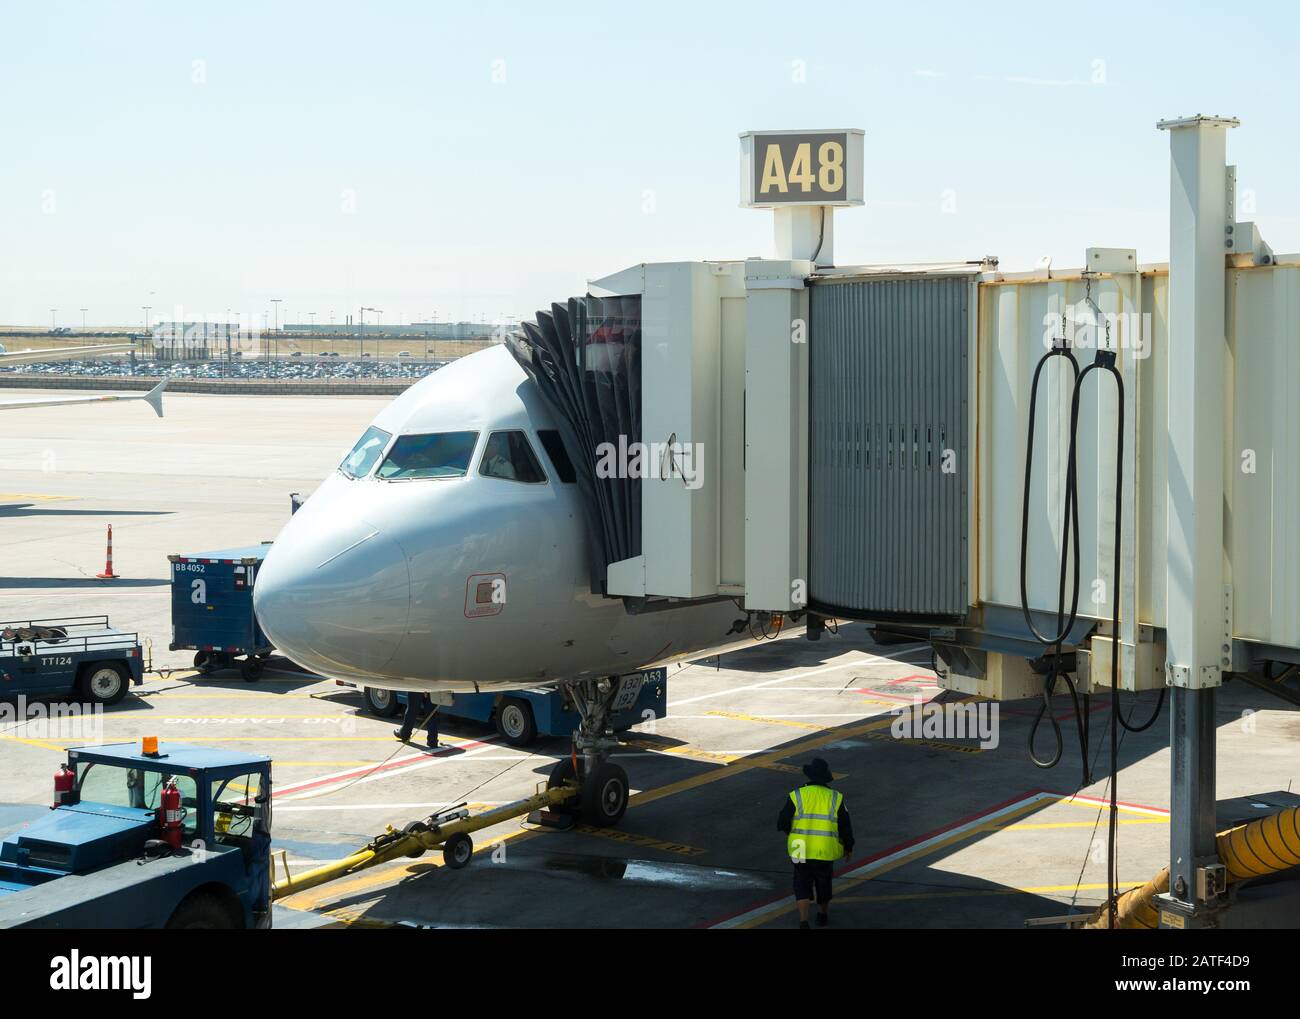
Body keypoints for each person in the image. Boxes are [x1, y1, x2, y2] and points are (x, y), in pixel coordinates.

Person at [777, 758, 853, 928]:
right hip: (824, 849)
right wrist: (849, 846)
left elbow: (782, 822)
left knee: (801, 882)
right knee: (823, 882)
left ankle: (803, 921)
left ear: (809, 776)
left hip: (799, 848)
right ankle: (822, 915)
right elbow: (845, 826)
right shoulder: (835, 797)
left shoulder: (796, 795)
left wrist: (792, 834)